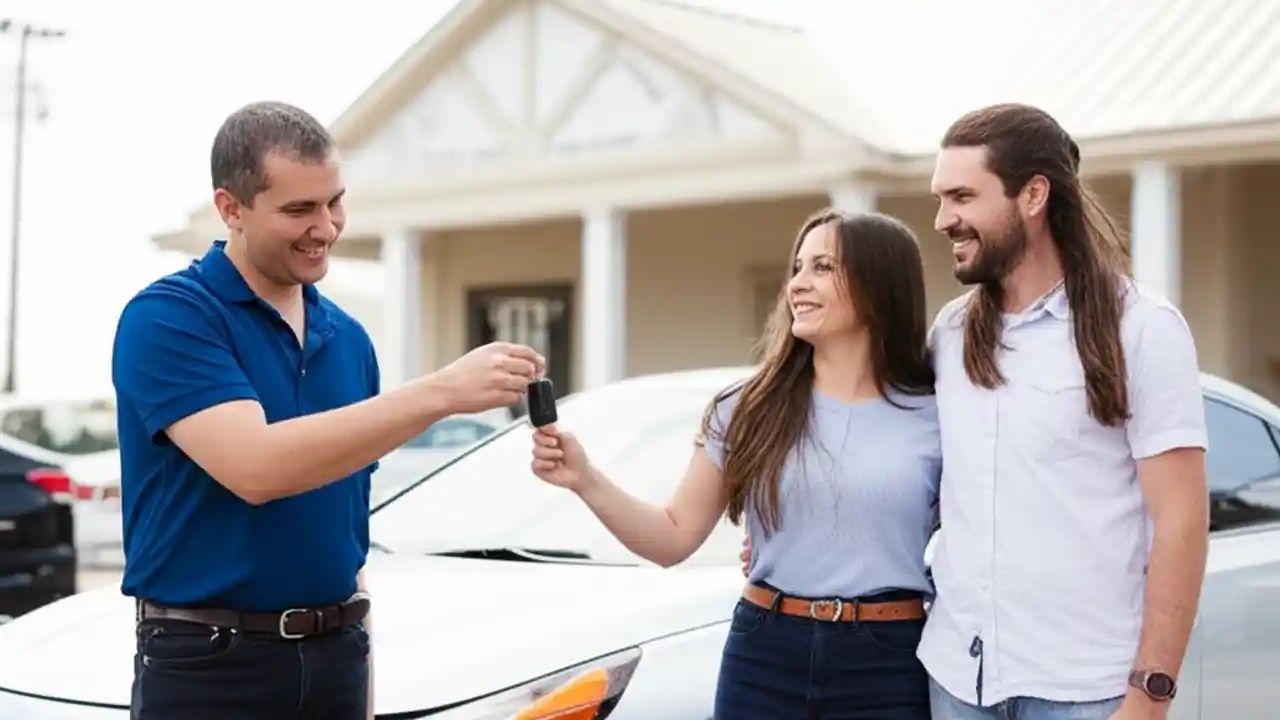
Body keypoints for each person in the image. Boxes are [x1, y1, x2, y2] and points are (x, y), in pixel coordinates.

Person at [743, 103, 1209, 720]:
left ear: (1033, 196)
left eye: (962, 196)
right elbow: (913, 472)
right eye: (939, 198)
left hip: (1083, 688)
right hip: (958, 681)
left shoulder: (1142, 330)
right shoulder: (952, 334)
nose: (943, 220)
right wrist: (799, 529)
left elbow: (1180, 521)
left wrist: (1149, 694)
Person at [112, 100, 544, 720]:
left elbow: (346, 530)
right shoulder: (170, 318)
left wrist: (359, 667)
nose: (327, 226)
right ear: (230, 209)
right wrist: (442, 392)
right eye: (299, 210)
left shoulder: (348, 339)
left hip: (339, 653)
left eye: (334, 201)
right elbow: (256, 469)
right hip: (209, 663)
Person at [530, 208, 942, 719]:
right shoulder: (748, 408)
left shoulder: (938, 415)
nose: (798, 284)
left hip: (888, 662)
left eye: (822, 267)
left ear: (880, 285)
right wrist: (584, 478)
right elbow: (672, 537)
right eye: (798, 267)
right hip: (766, 653)